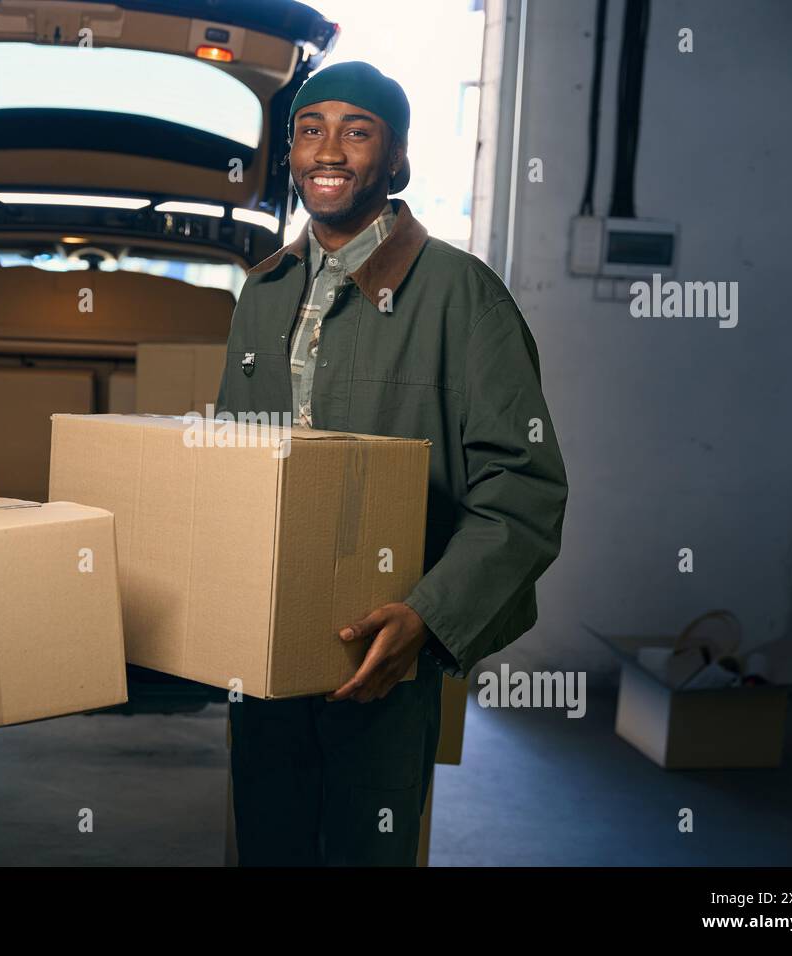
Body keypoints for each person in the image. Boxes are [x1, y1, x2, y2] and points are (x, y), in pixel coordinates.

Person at [216, 61, 569, 865]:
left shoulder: (461, 296)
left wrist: (428, 618)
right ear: (291, 153)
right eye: (311, 130)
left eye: (356, 130)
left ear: (397, 159)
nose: (328, 150)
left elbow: (525, 486)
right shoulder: (263, 293)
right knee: (267, 845)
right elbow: (233, 465)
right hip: (265, 650)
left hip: (385, 651)